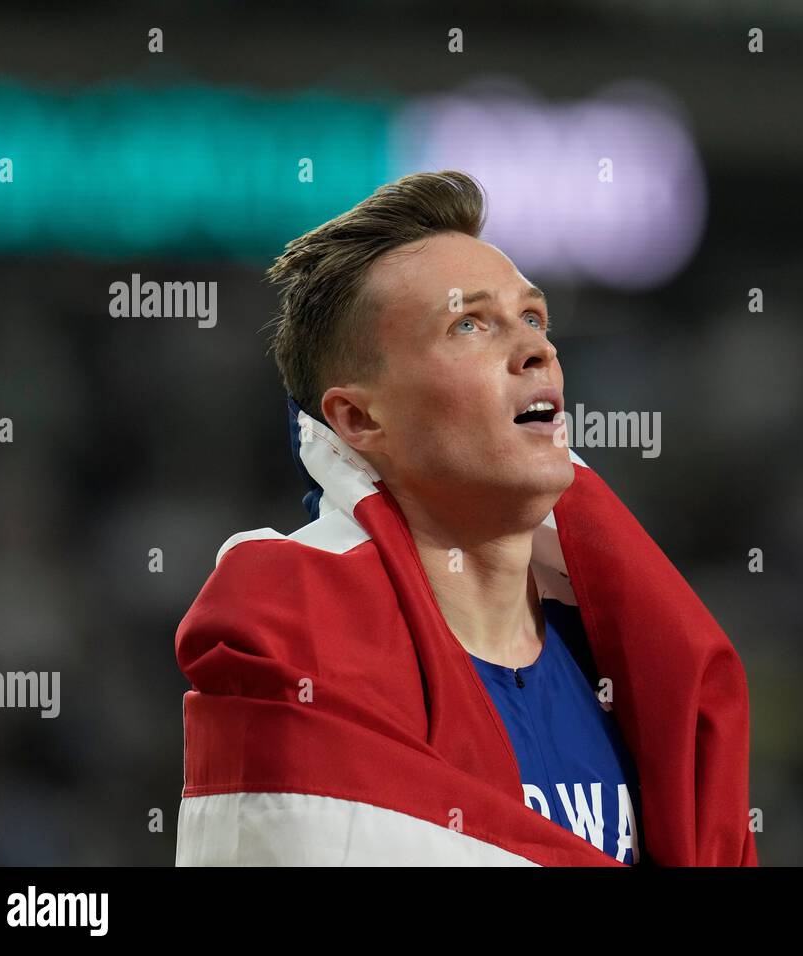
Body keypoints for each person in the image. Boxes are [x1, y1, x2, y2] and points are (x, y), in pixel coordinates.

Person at [174, 170, 757, 866]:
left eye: (535, 318)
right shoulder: (296, 655)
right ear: (360, 419)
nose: (538, 350)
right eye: (470, 324)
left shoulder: (636, 666)